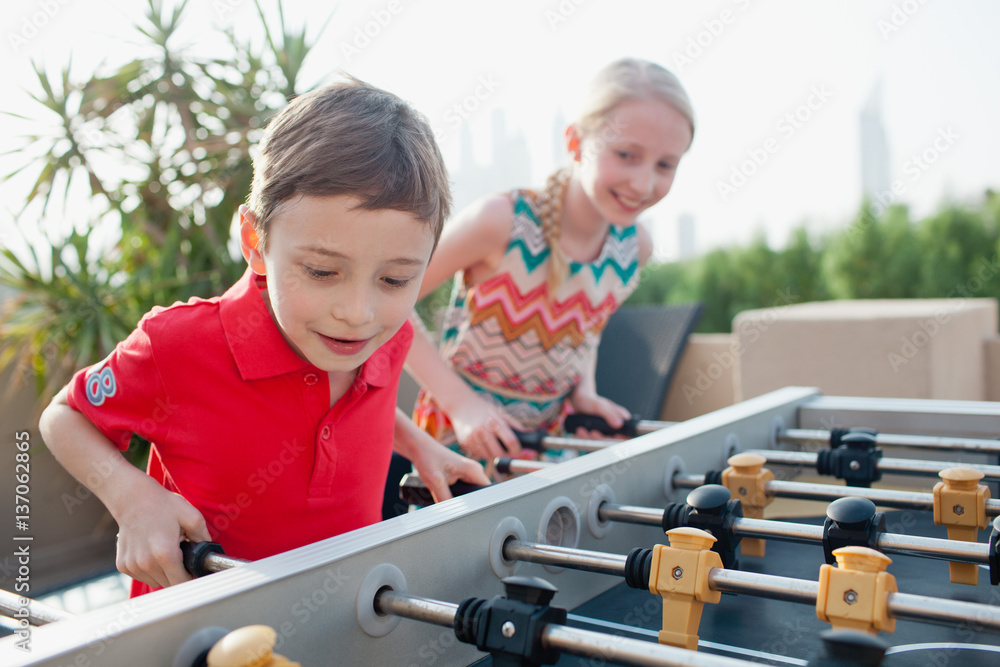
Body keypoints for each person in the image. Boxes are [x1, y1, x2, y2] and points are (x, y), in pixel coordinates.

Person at [38, 77, 490, 597]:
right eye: (322, 271)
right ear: (256, 241)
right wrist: (129, 495)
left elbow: (354, 402)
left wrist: (420, 444)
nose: (358, 313)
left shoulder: (389, 332)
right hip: (200, 636)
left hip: (345, 619)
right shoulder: (178, 345)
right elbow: (64, 416)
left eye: (394, 279)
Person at [406, 58, 695, 463]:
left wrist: (584, 392)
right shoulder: (501, 221)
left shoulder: (634, 249)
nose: (644, 183)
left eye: (665, 164)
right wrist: (461, 404)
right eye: (627, 154)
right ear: (576, 142)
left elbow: (585, 333)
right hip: (458, 446)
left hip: (546, 453)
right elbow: (389, 303)